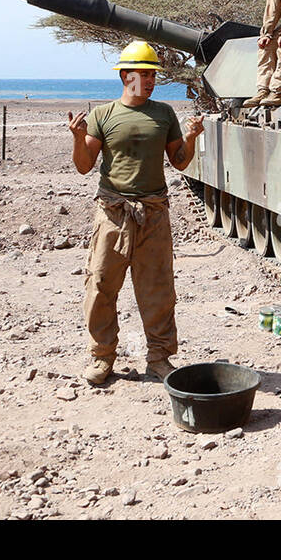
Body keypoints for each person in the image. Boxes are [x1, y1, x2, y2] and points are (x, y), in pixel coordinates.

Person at [67, 41, 203, 385]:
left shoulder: (164, 114)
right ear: (125, 76)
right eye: (143, 74)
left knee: (158, 289)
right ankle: (102, 357)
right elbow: (84, 166)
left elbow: (180, 161)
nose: (149, 80)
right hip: (113, 213)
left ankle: (159, 358)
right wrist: (78, 138)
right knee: (100, 285)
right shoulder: (103, 115)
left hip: (154, 213)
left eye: (152, 74)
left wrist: (192, 137)